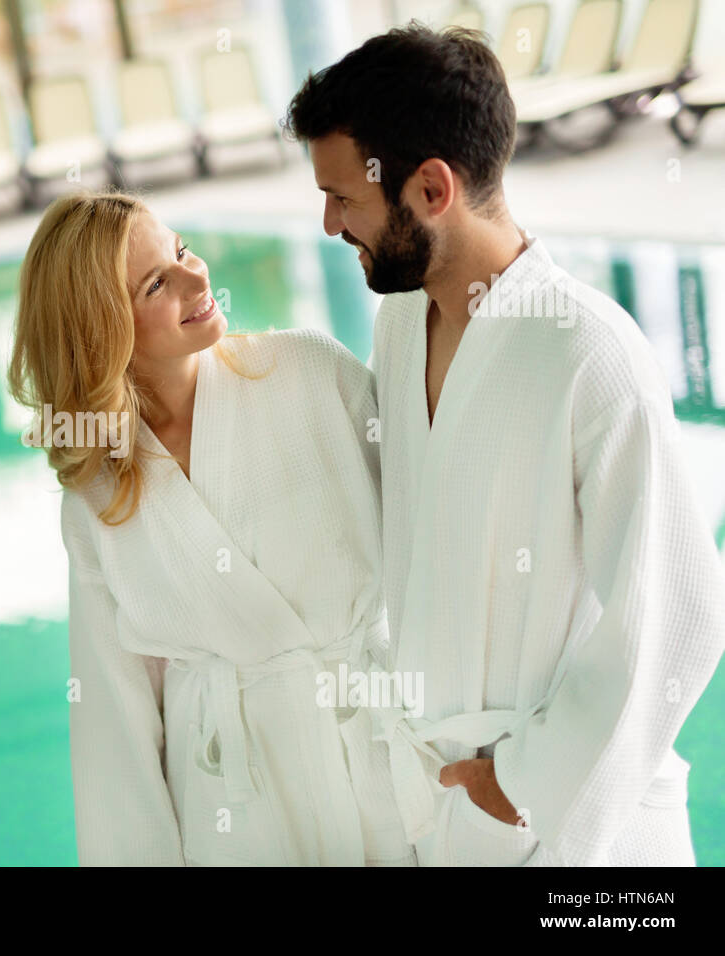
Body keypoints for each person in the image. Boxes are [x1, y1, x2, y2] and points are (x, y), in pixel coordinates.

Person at [287, 22, 725, 866]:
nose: (331, 221)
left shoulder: (587, 351)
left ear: (431, 187)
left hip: (570, 825)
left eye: (344, 196)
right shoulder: (403, 321)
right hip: (450, 808)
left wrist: (524, 780)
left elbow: (679, 612)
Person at [8, 187, 415, 865]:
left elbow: (433, 535)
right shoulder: (99, 497)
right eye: (157, 283)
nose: (198, 279)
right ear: (103, 328)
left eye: (182, 252)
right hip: (235, 814)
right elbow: (117, 726)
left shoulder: (309, 371)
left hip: (377, 759)